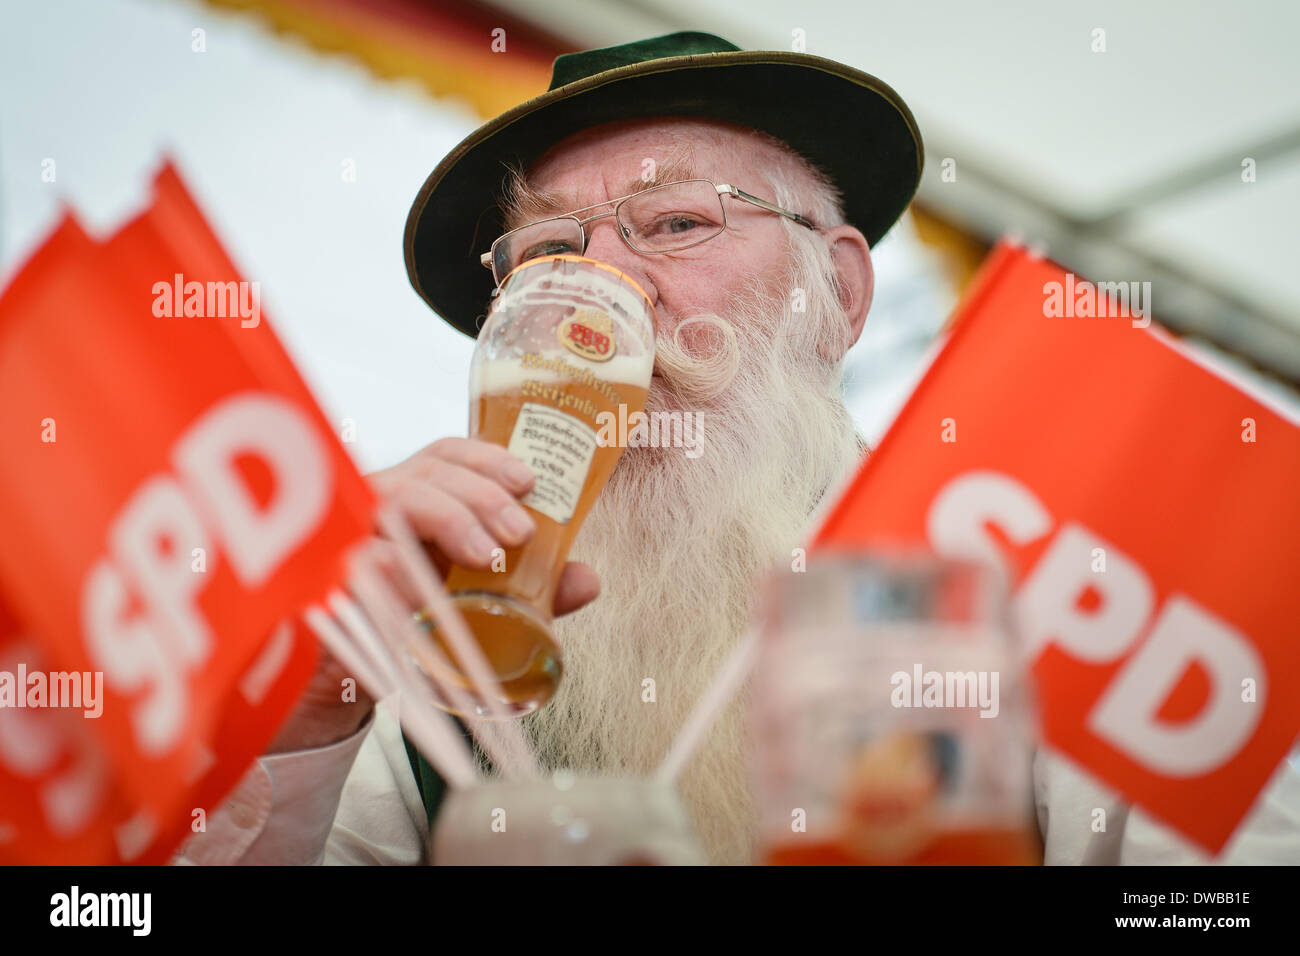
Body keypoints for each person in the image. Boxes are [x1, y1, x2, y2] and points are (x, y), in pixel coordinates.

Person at [172, 32, 1300, 866]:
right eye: (548, 248)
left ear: (840, 290)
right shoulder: (448, 646)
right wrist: (303, 709)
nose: (601, 283)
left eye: (677, 224)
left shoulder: (1049, 572)